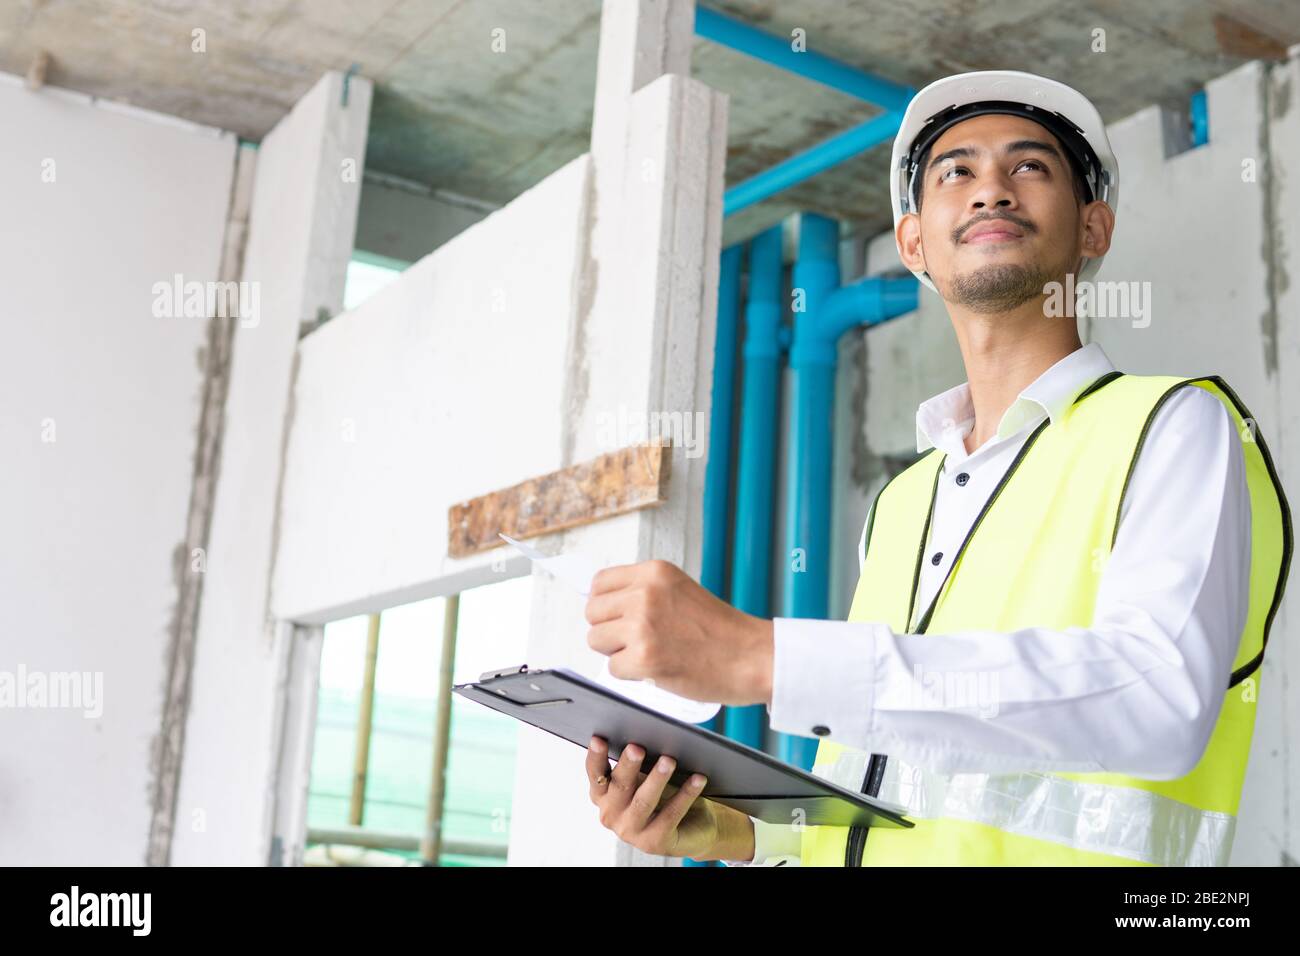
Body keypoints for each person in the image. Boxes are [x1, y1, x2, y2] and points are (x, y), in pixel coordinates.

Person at [580, 70, 1291, 866]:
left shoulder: (1175, 427)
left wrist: (760, 656)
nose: (990, 189)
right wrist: (744, 831)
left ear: (1093, 229)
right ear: (914, 242)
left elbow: (1158, 700)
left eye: (1029, 166)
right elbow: (890, 778)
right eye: (956, 172)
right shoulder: (904, 502)